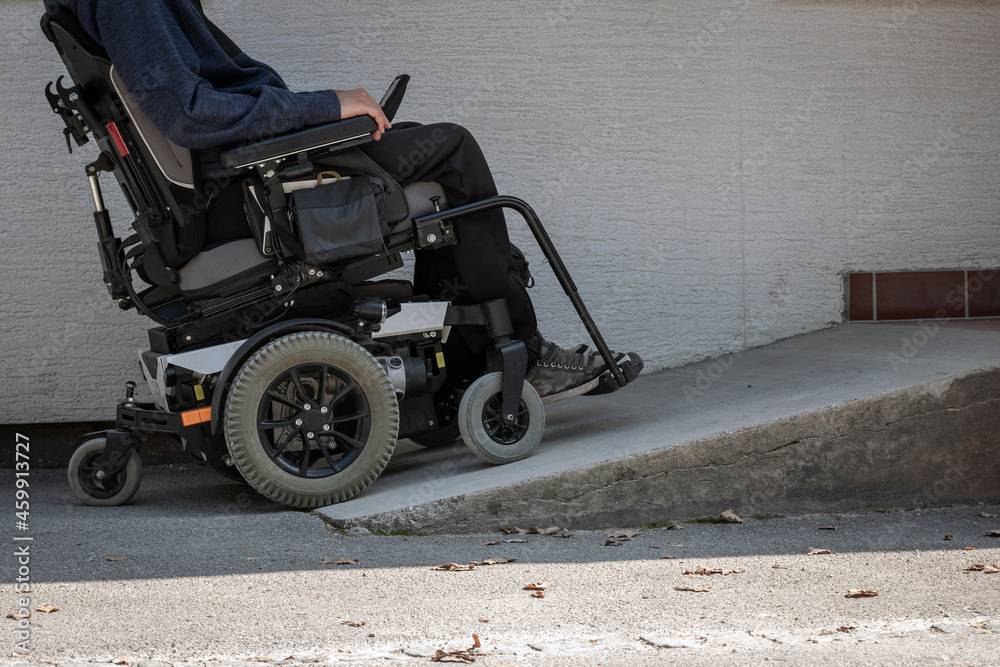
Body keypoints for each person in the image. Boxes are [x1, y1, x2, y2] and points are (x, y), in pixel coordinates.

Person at [43, 0, 635, 398]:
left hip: (225, 185)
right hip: (237, 195)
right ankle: (515, 356)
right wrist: (327, 107)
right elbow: (191, 113)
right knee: (451, 152)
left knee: (418, 147)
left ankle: (472, 360)